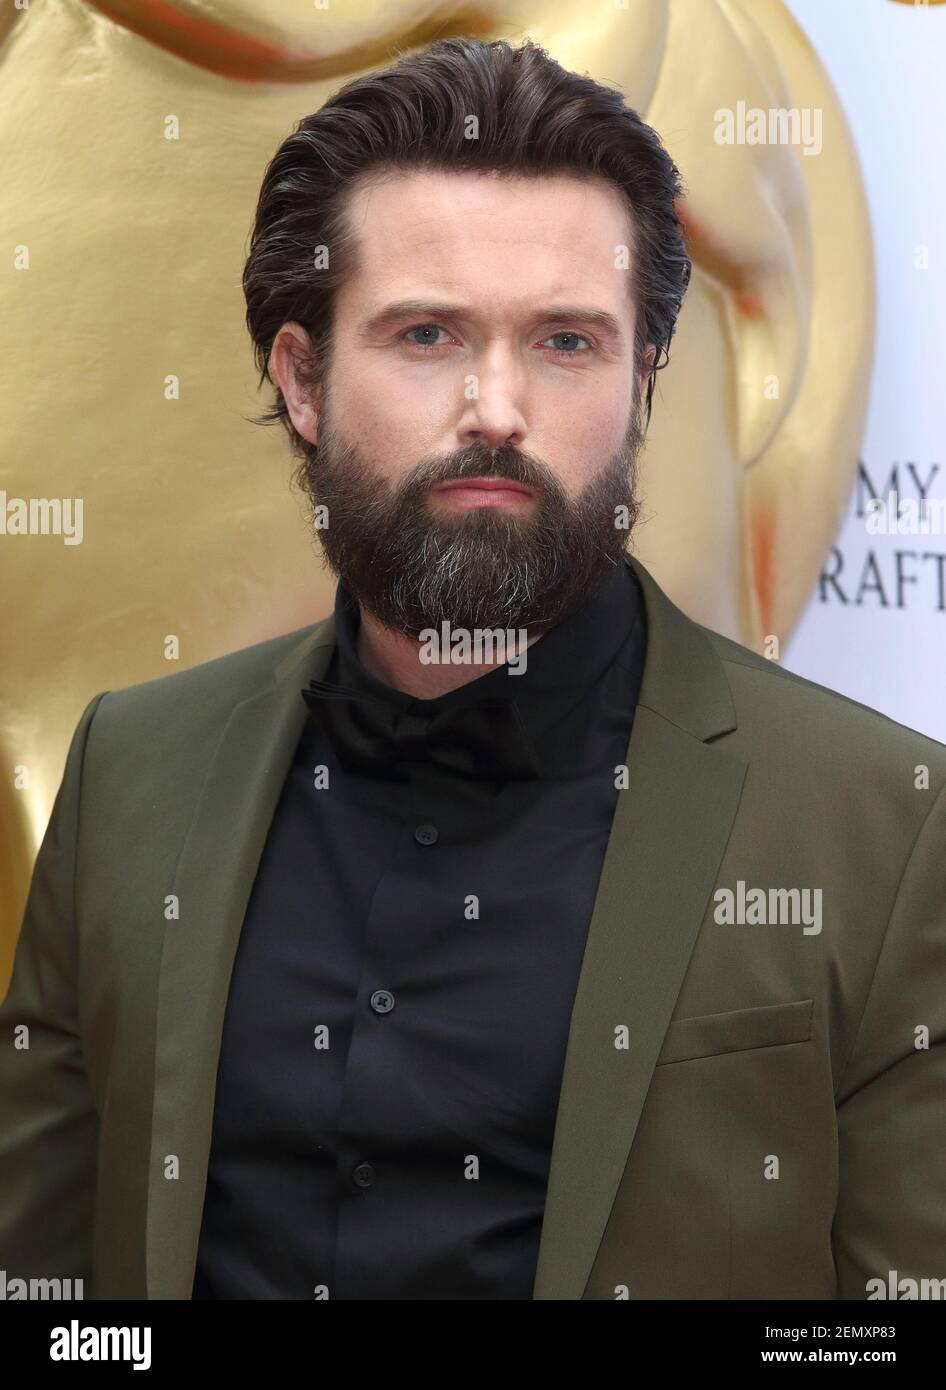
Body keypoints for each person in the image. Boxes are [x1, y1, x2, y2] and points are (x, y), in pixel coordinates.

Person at [1, 36, 943, 1302]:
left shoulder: (880, 828)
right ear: (303, 381)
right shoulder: (133, 774)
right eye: (428, 333)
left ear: (641, 384)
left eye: (565, 342)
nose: (496, 408)